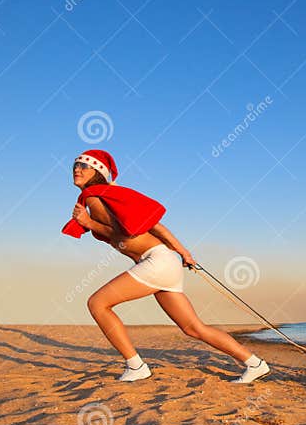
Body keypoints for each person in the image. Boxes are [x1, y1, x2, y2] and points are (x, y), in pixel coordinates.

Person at [64, 149, 270, 383]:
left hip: (156, 261)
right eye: (75, 165)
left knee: (97, 303)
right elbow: (155, 227)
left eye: (84, 166)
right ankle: (254, 363)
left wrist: (89, 223)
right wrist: (183, 252)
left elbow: (123, 234)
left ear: (97, 172)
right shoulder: (106, 196)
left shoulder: (93, 196)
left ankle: (136, 366)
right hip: (163, 260)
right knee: (193, 328)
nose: (77, 169)